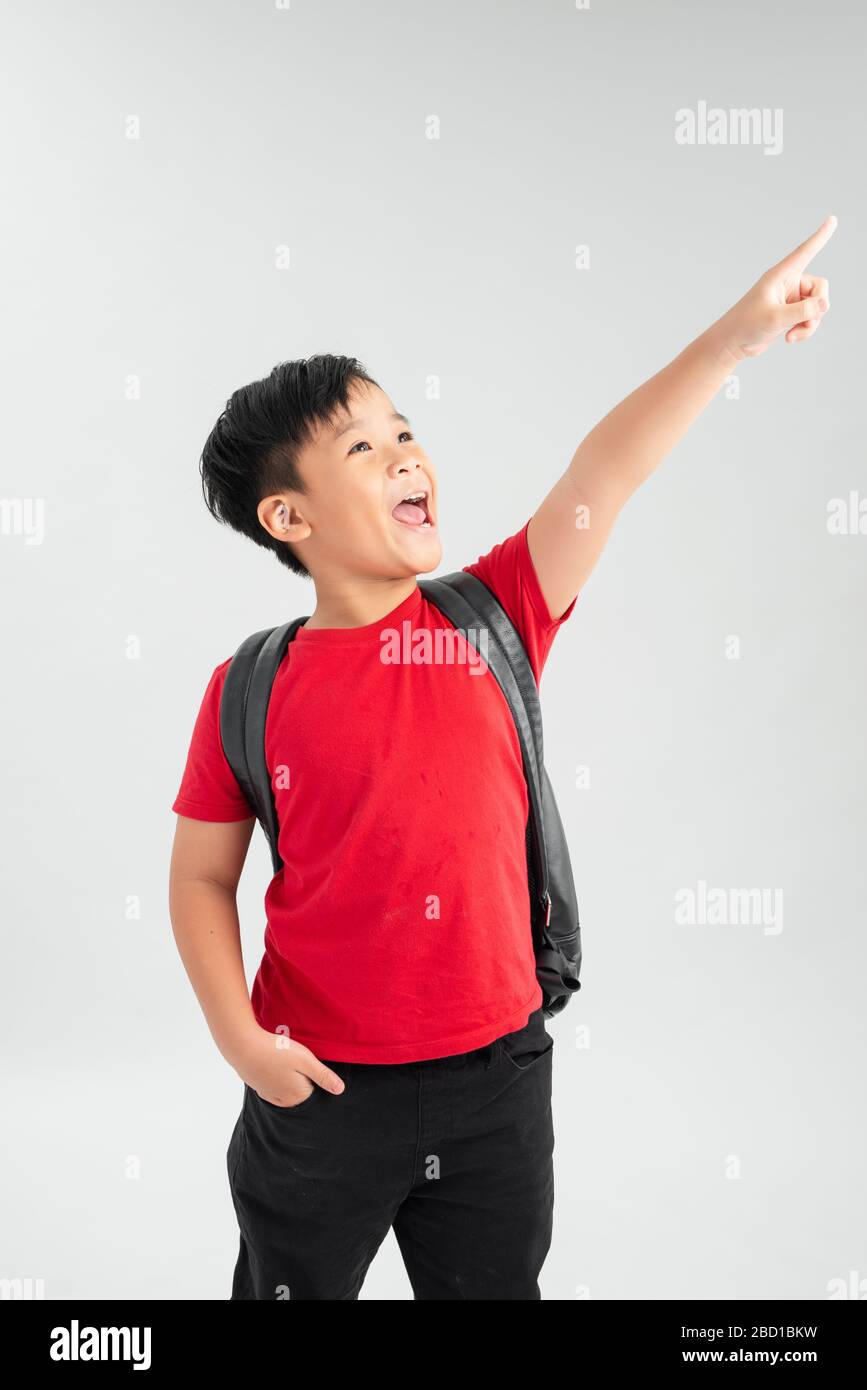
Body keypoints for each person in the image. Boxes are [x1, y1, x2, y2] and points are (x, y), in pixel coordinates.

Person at [168, 216, 836, 1300]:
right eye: (362, 448)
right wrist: (241, 1042)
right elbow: (202, 874)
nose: (405, 455)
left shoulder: (496, 616)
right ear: (287, 515)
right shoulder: (251, 686)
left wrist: (733, 340)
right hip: (319, 1094)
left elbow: (603, 472)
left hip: (498, 1086)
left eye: (403, 430)